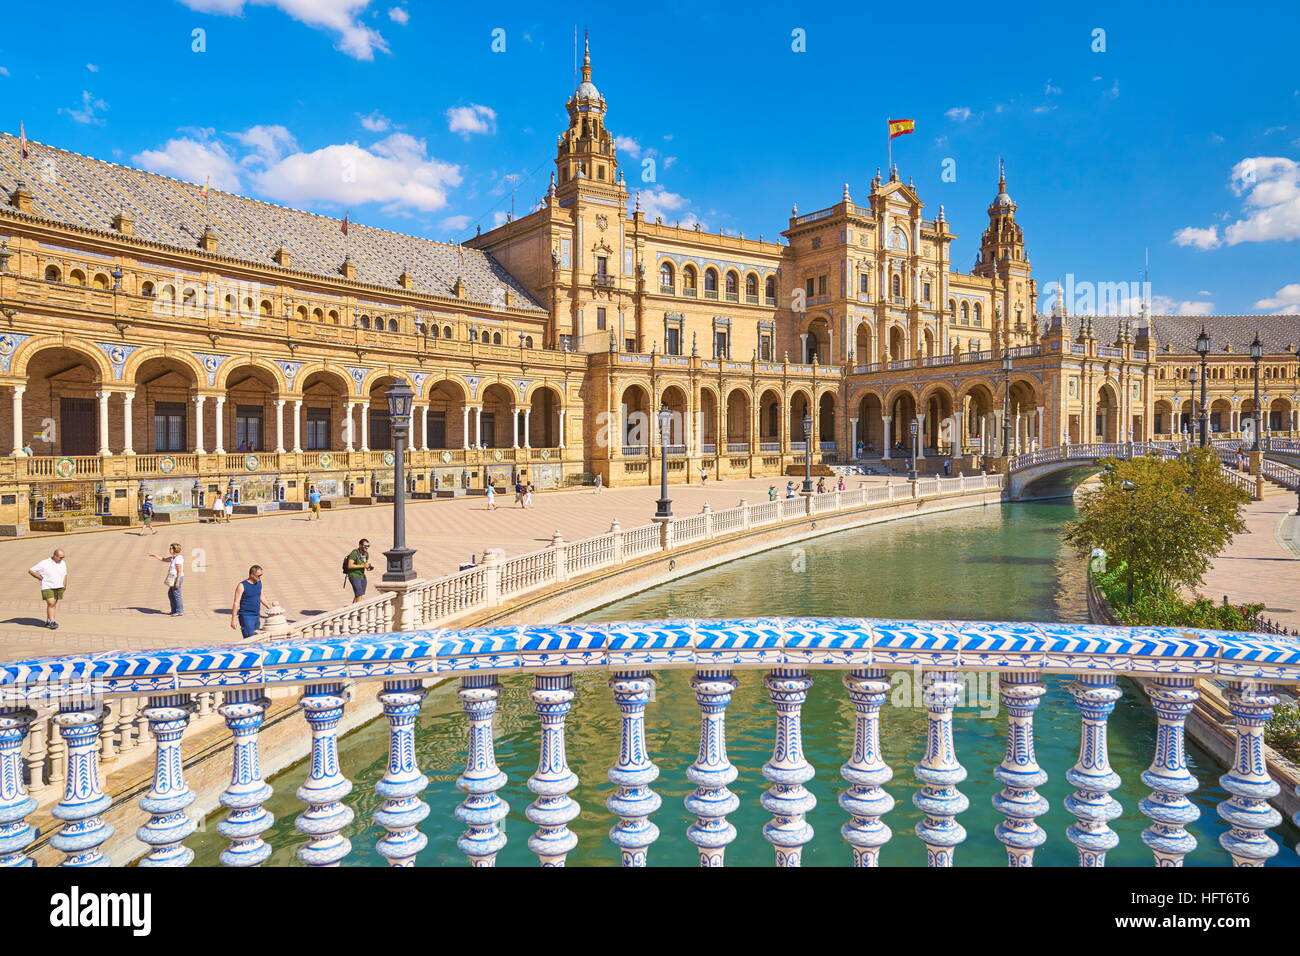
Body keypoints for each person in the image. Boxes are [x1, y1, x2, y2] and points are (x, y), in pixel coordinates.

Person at [29, 549, 68, 630]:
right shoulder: (44, 563)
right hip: (47, 586)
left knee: (53, 604)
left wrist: (64, 585)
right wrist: (39, 577)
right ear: (55, 556)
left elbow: (65, 574)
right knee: (51, 603)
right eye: (60, 557)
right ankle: (52, 621)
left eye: (63, 557)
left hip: (59, 586)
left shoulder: (63, 563)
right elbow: (31, 570)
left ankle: (48, 620)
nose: (62, 559)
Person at [230, 565, 271, 639]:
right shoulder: (242, 585)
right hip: (246, 616)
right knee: (249, 639)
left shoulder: (259, 583)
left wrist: (270, 608)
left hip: (256, 615)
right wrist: (233, 620)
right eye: (258, 576)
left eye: (261, 575)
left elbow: (261, 596)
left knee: (257, 638)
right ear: (252, 574)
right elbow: (236, 603)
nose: (260, 578)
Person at [148, 542, 185, 616]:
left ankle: (179, 611)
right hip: (173, 577)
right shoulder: (173, 558)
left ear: (175, 549)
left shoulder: (178, 559)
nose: (169, 549)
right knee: (171, 594)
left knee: (176, 594)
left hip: (176, 578)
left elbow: (179, 571)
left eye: (171, 548)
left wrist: (177, 581)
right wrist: (155, 556)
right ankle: (174, 610)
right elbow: (164, 559)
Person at [345, 538, 373, 603]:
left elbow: (365, 563)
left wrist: (368, 567)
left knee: (358, 595)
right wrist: (363, 566)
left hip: (362, 576)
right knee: (359, 594)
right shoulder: (354, 553)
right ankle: (357, 611)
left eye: (368, 546)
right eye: (365, 546)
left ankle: (352, 609)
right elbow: (350, 565)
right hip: (354, 575)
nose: (367, 548)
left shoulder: (366, 554)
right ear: (360, 545)